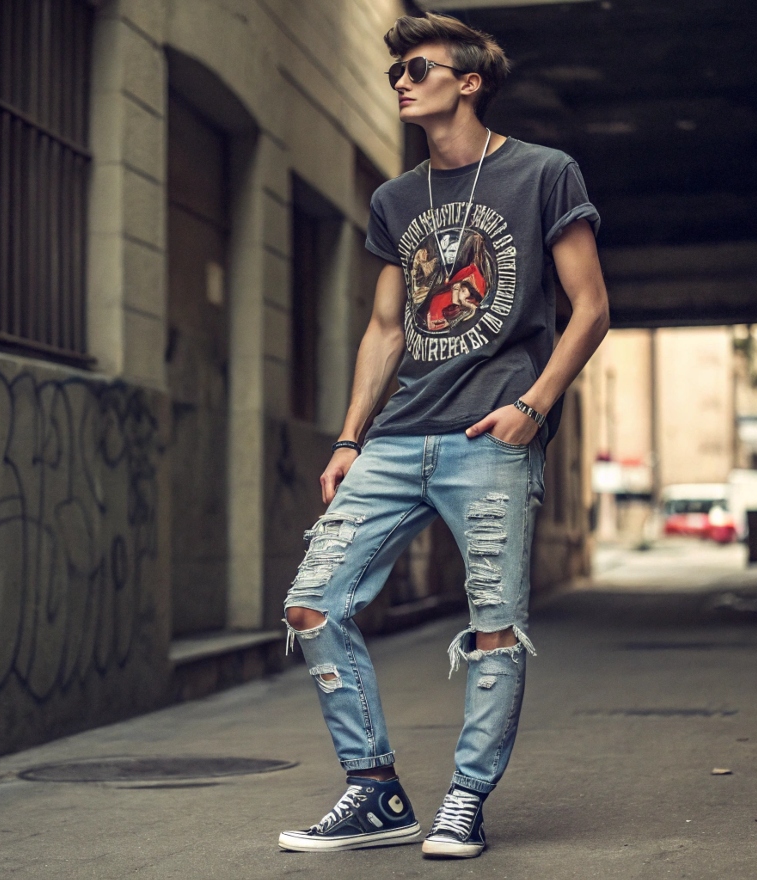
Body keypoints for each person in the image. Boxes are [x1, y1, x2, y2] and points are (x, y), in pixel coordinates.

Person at [276, 11, 609, 860]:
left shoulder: (542, 173)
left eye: (416, 69)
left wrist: (531, 407)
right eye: (394, 71)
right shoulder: (395, 198)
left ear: (467, 81)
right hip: (396, 438)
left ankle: (465, 798)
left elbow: (591, 309)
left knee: (494, 625)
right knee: (314, 602)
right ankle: (375, 789)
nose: (399, 81)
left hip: (491, 433)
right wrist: (350, 438)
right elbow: (385, 328)